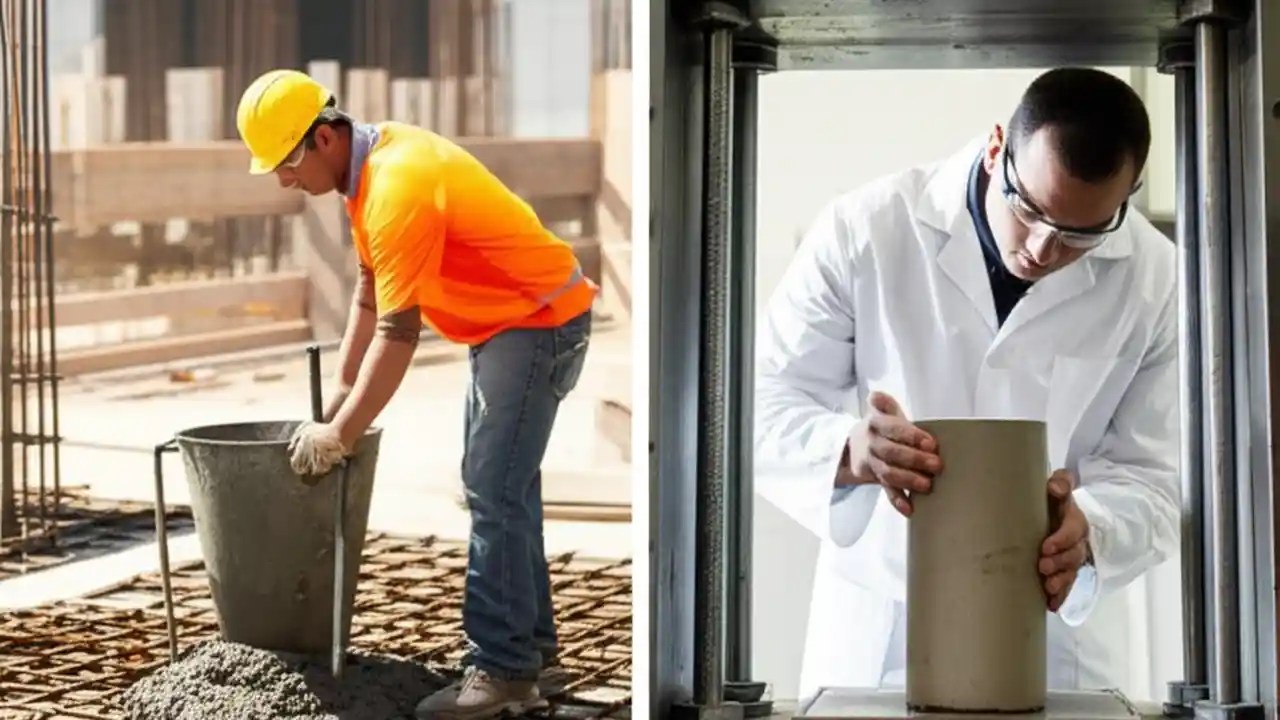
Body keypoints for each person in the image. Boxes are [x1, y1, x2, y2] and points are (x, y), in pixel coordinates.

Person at [754, 67, 1178, 697]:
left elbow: (1159, 473)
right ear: (997, 147)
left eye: (1081, 233)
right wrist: (851, 450)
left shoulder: (1157, 279)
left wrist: (1094, 530)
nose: (1042, 248)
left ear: (1128, 194)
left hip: (1057, 642)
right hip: (886, 629)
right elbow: (754, 405)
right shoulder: (867, 228)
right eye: (1029, 208)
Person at [235, 69, 596, 720]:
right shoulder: (367, 172)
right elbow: (372, 294)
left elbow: (399, 335)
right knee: (506, 487)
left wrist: (340, 437)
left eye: (286, 164)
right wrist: (341, 396)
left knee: (492, 489)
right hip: (509, 322)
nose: (284, 180)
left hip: (536, 321)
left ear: (323, 137)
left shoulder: (396, 186)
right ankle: (536, 651)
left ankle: (504, 670)